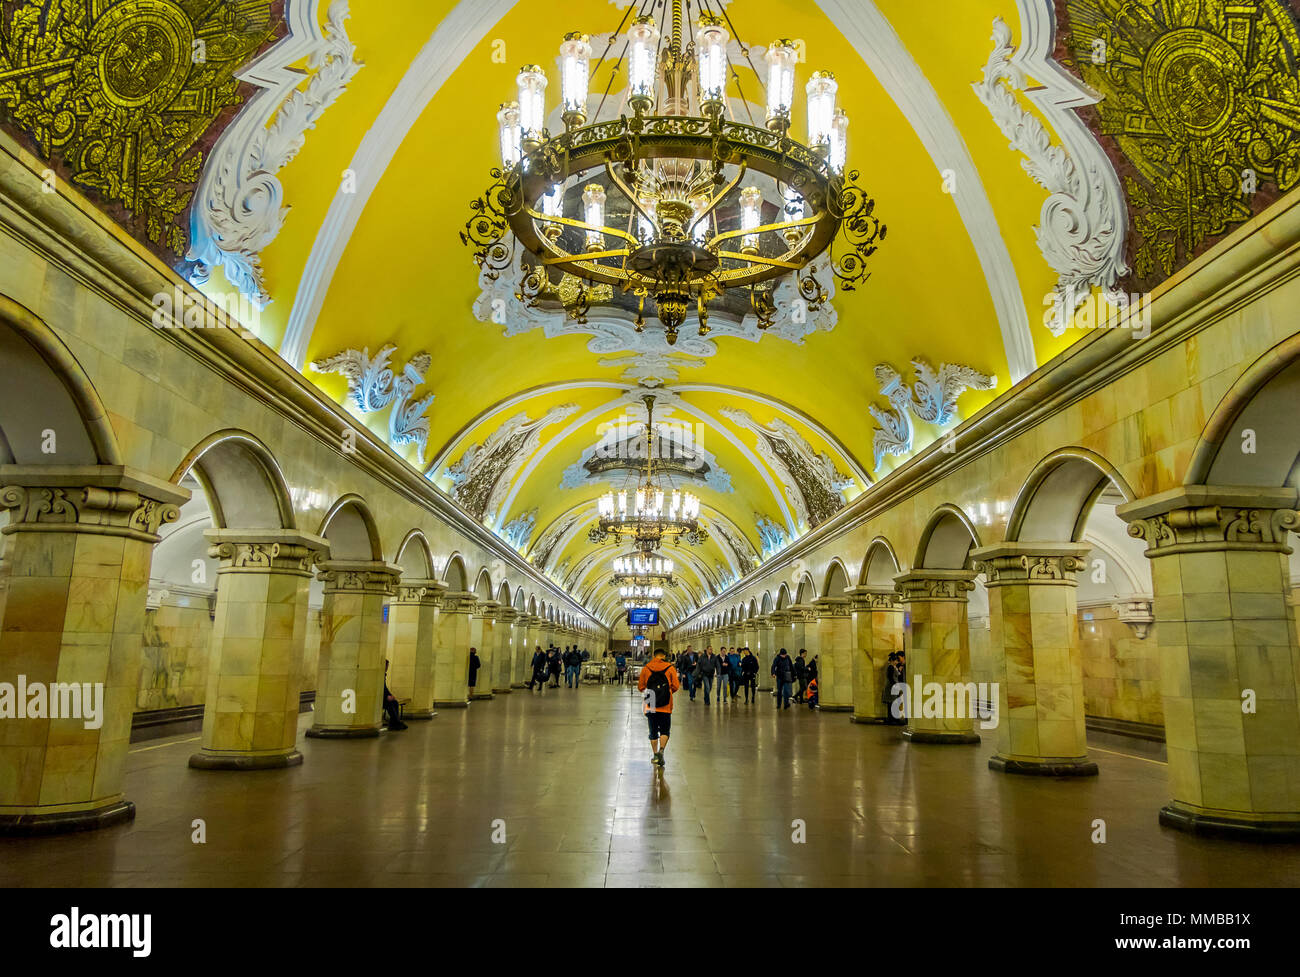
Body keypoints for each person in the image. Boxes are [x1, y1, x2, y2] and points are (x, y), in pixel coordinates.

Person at [637, 648, 680, 767]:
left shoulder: (647, 668)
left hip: (651, 702)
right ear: (664, 656)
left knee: (653, 730)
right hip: (666, 703)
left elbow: (640, 686)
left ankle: (655, 754)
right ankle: (662, 750)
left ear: (654, 656)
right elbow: (676, 685)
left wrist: (650, 693)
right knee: (665, 730)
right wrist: (668, 692)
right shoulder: (670, 668)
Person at [382, 661, 408, 730]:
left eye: (387, 666)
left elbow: (385, 688)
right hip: (380, 698)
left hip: (383, 697)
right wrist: (386, 697)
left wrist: (390, 695)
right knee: (390, 704)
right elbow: (379, 688)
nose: (387, 668)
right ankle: (396, 723)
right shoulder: (379, 675)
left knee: (395, 702)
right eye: (386, 666)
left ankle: (394, 722)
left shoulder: (383, 675)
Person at [883, 652, 902, 723]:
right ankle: (892, 719)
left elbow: (895, 675)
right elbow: (891, 677)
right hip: (891, 687)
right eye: (896, 660)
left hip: (893, 687)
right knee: (892, 703)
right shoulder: (890, 667)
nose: (897, 662)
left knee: (892, 703)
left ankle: (892, 719)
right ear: (892, 661)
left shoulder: (893, 667)